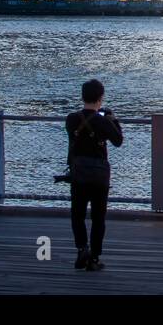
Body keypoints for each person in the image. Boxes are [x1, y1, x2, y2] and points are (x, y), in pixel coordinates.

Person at [64, 79, 123, 272]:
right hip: (99, 175)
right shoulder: (102, 120)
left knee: (77, 214)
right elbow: (118, 141)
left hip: (78, 172)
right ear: (100, 97)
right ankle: (95, 258)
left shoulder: (71, 119)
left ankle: (82, 249)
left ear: (82, 96)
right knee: (99, 217)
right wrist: (113, 119)